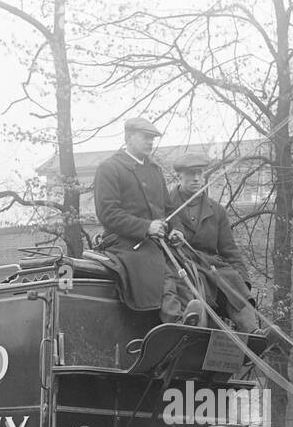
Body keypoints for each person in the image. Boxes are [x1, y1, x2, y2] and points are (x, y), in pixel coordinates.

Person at [93, 117, 200, 324]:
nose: (151, 142)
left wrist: (176, 230)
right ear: (128, 137)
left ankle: (198, 323)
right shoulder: (109, 168)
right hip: (124, 243)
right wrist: (146, 227)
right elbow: (108, 213)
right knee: (162, 276)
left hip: (158, 242)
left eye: (152, 138)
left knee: (189, 272)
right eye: (146, 137)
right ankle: (176, 326)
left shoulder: (154, 170)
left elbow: (170, 210)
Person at [168, 151, 259, 332]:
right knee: (192, 283)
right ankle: (195, 333)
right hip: (179, 261)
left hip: (210, 264)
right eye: (191, 174)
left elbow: (229, 249)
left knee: (233, 279)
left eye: (200, 173)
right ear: (180, 176)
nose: (196, 179)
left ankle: (254, 334)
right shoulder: (167, 206)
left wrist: (244, 279)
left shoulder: (217, 210)